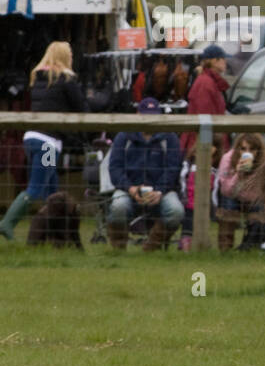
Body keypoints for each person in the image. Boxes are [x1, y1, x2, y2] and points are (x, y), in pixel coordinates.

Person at [1, 41, 86, 241]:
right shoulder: (66, 79)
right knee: (37, 188)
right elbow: (80, 106)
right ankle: (7, 223)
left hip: (32, 139)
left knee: (51, 188)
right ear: (65, 57)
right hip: (48, 143)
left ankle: (52, 235)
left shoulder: (38, 78)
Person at [106, 97, 184, 250]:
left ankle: (152, 247)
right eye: (145, 115)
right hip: (129, 190)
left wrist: (160, 190)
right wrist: (130, 188)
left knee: (176, 210)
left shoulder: (170, 138)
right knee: (118, 206)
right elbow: (115, 168)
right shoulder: (123, 136)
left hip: (161, 191)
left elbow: (173, 168)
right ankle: (118, 248)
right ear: (137, 114)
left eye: (153, 115)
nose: (149, 119)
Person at [217, 133, 265, 251]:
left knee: (258, 209)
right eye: (243, 149)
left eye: (252, 149)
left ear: (258, 150)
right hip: (232, 195)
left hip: (253, 198)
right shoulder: (227, 159)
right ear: (237, 149)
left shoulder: (264, 162)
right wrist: (238, 174)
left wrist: (254, 173)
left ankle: (252, 245)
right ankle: (225, 248)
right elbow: (225, 191)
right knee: (227, 206)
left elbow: (262, 193)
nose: (247, 152)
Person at [180, 44, 229, 159]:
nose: (225, 62)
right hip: (205, 148)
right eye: (223, 59)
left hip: (209, 145)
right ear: (214, 61)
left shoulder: (208, 81)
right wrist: (209, 150)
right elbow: (204, 119)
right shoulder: (205, 83)